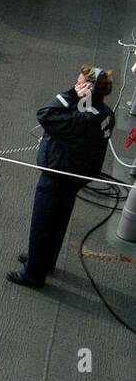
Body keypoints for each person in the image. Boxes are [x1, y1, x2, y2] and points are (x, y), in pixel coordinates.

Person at [8, 66, 116, 288]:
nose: (75, 85)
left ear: (88, 88)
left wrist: (70, 94)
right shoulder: (105, 115)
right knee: (58, 221)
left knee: (43, 222)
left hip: (58, 175)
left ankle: (33, 274)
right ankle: (44, 261)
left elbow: (45, 113)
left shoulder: (81, 120)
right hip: (75, 175)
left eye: (79, 83)